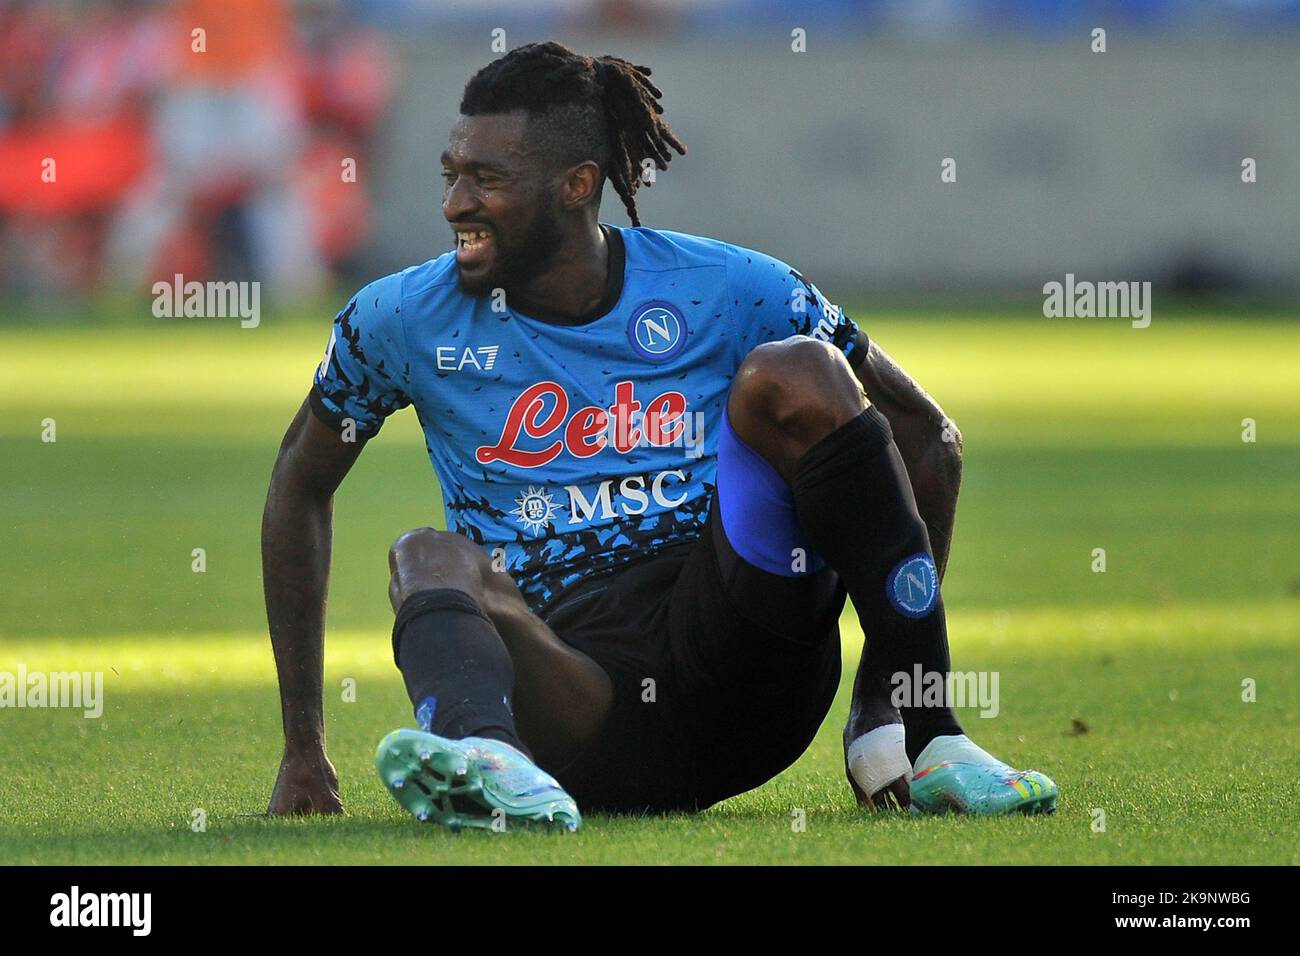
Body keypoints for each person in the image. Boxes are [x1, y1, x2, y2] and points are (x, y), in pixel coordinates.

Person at [263, 41, 1057, 830]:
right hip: (578, 707)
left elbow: (928, 440)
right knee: (424, 556)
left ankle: (933, 739)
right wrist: (304, 747)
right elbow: (299, 486)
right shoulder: (401, 318)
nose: (454, 204)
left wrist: (883, 696)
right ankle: (491, 764)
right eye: (451, 174)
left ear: (577, 185)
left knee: (798, 370)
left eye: (486, 179)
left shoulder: (730, 289)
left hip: (745, 651)